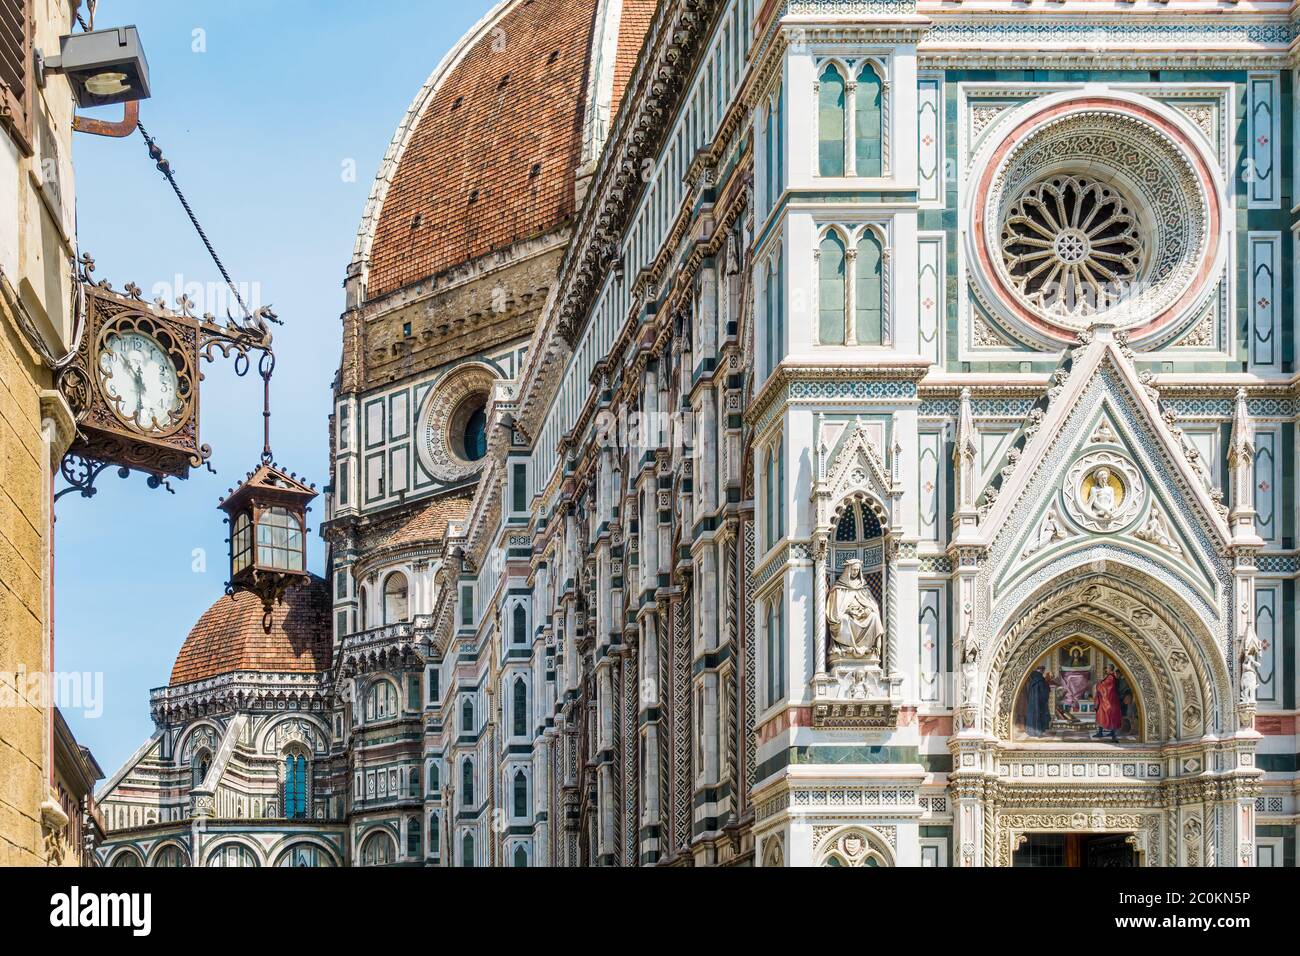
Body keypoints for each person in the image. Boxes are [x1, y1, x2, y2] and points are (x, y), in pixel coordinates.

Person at [1093, 664, 1122, 742]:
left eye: (1107, 668)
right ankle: (1107, 733)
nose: (1106, 670)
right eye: (1106, 668)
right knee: (1107, 716)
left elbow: (1106, 687)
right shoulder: (1110, 676)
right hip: (1107, 700)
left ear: (1110, 669)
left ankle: (1105, 733)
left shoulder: (1111, 677)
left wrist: (1099, 684)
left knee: (1106, 715)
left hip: (1109, 700)